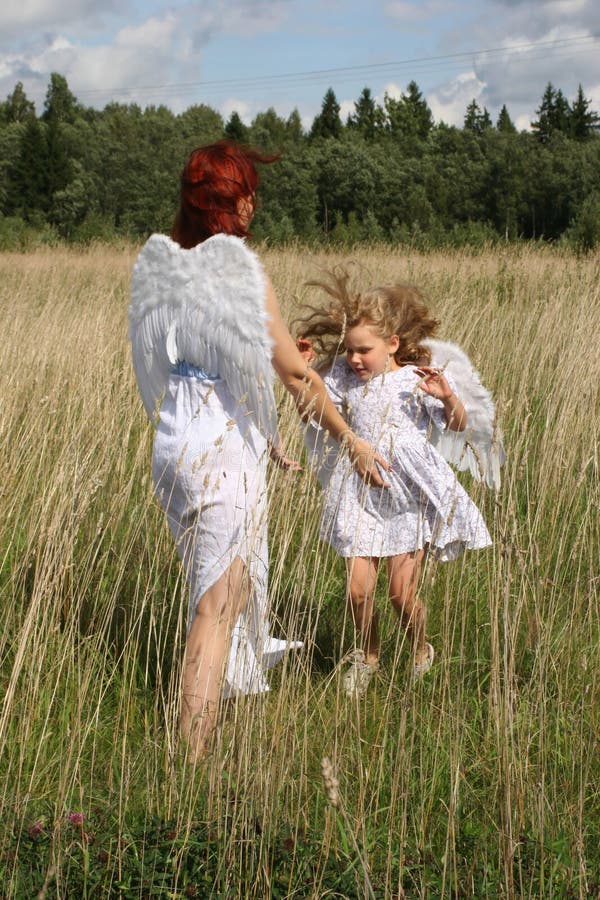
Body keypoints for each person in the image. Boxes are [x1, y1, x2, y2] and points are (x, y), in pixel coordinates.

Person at [128, 141, 389, 758]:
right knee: (217, 607)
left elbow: (197, 364)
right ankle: (188, 760)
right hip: (219, 455)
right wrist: (349, 436)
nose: (255, 199)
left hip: (175, 444)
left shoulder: (169, 269)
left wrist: (264, 426)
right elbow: (295, 378)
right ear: (228, 200)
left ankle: (196, 737)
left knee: (217, 591)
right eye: (247, 189)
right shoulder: (242, 271)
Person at [296, 269, 499, 697]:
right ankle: (368, 656)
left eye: (364, 351)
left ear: (391, 345)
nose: (354, 359)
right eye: (349, 350)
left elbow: (457, 424)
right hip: (360, 491)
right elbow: (313, 407)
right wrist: (304, 368)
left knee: (400, 595)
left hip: (407, 494)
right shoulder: (344, 379)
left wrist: (446, 397)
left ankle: (421, 649)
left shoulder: (414, 379)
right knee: (356, 591)